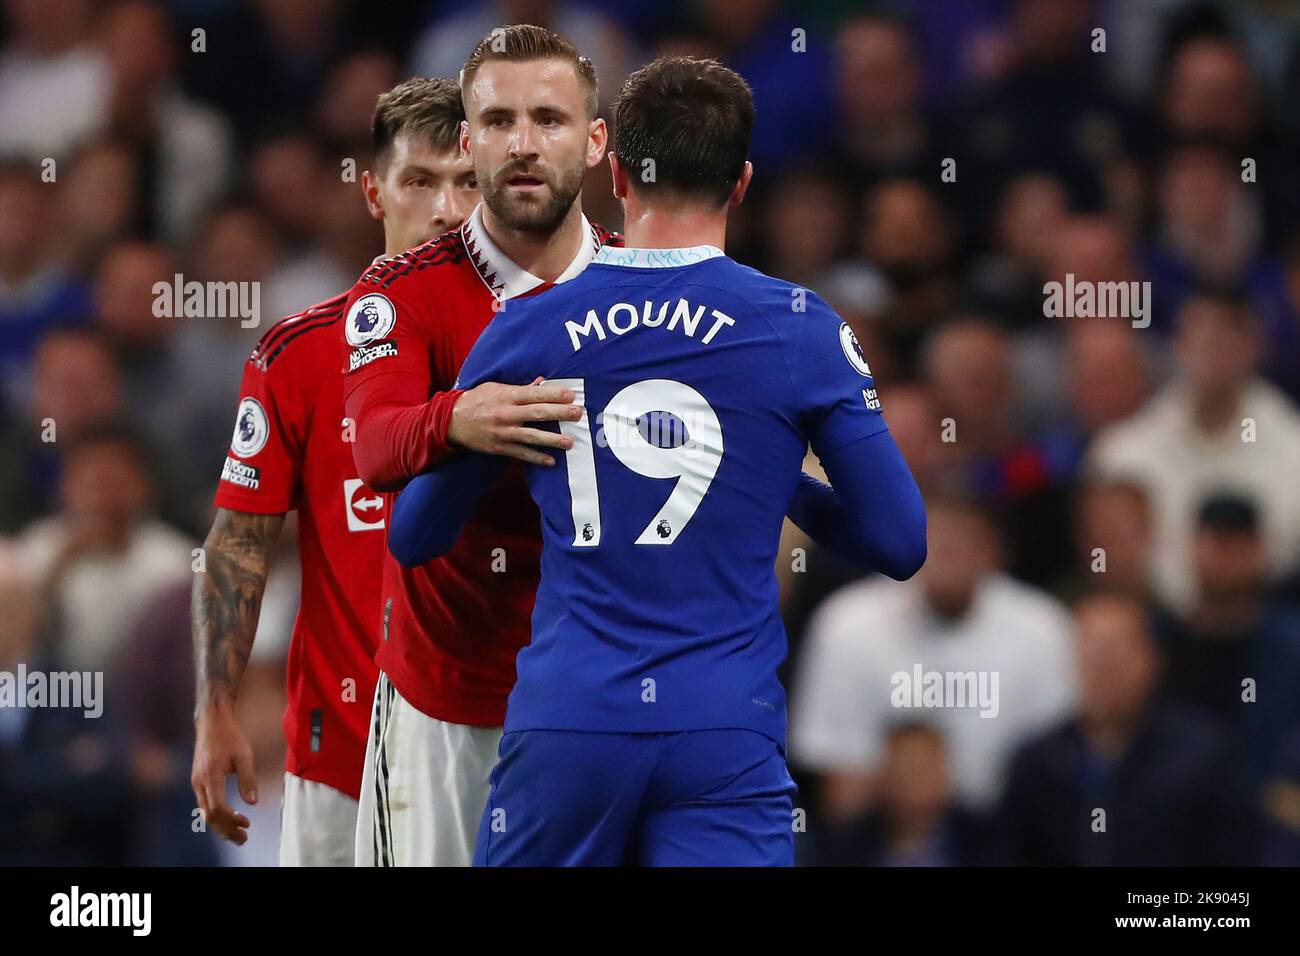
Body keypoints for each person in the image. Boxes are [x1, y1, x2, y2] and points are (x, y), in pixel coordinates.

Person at [388, 56, 927, 866]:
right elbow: (900, 541)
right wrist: (784, 482)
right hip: (724, 731)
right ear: (741, 183)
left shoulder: (528, 326)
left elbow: (415, 535)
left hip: (571, 726)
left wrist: (460, 424)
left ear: (615, 174)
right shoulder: (799, 328)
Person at [338, 25, 621, 867]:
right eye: (498, 122)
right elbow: (378, 446)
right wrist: (459, 419)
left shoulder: (644, 289)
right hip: (449, 702)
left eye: (549, 118)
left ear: (597, 140)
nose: (523, 145)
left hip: (605, 698)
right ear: (468, 140)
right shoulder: (399, 290)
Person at [190, 76, 481, 866]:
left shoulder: (536, 347)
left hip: (497, 747)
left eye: (468, 183)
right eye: (420, 181)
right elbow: (239, 541)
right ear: (372, 193)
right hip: (339, 759)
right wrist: (215, 708)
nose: (447, 209)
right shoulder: (299, 354)